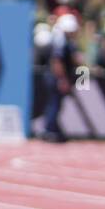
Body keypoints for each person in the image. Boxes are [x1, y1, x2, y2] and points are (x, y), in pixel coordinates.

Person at [39, 11, 80, 142]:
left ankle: (53, 129)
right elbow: (57, 62)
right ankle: (50, 130)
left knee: (56, 104)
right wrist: (62, 79)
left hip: (55, 77)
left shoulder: (62, 40)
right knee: (54, 104)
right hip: (55, 77)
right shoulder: (60, 41)